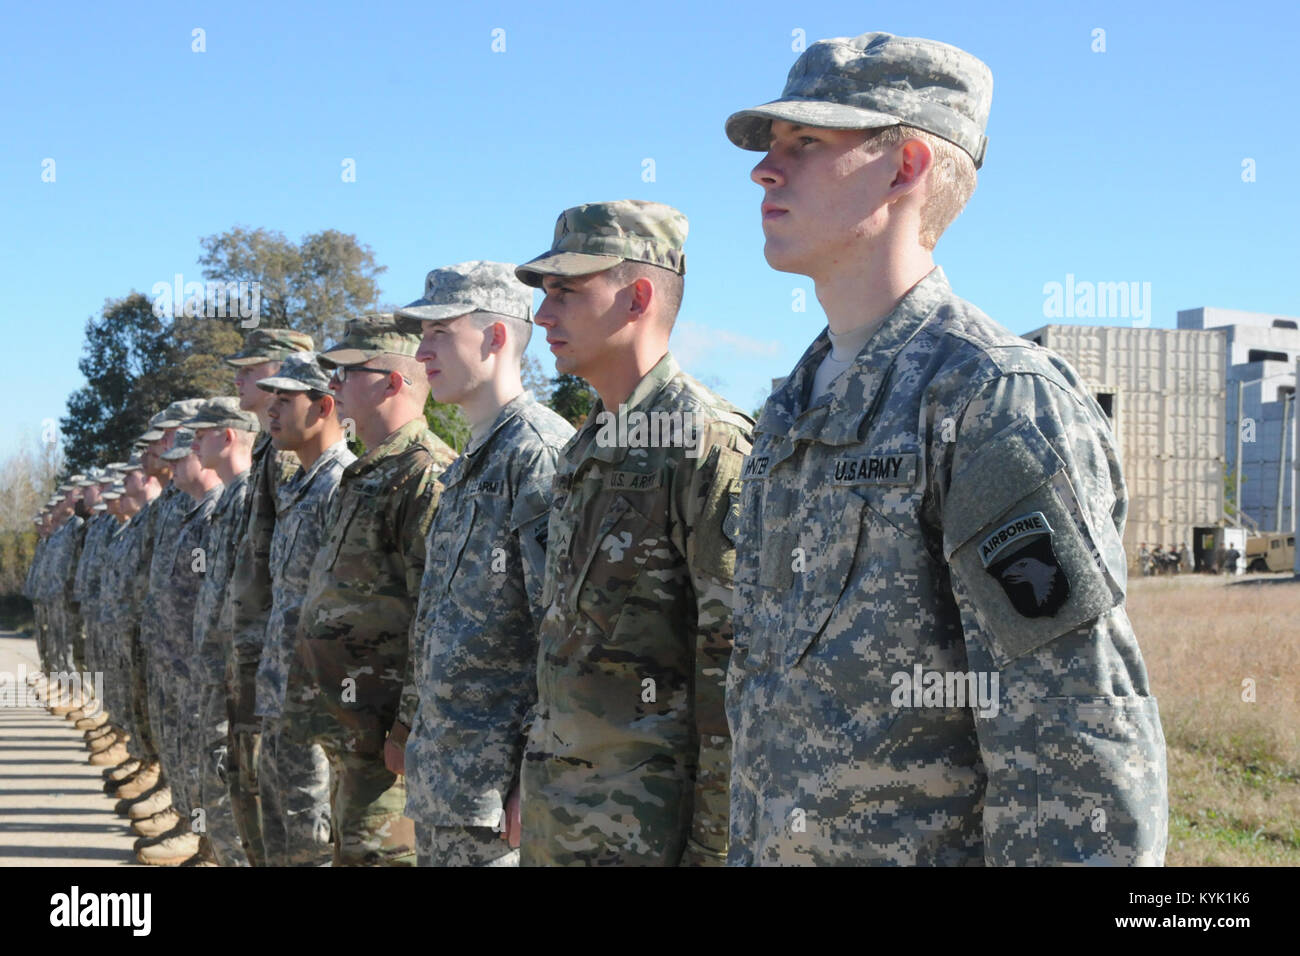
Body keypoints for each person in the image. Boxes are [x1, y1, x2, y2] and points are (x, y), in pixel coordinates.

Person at [722, 31, 1168, 865]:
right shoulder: (790, 409)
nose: (764, 170)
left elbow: (1072, 739)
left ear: (906, 166)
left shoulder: (990, 397)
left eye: (806, 143)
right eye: (770, 147)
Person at [515, 200, 754, 866]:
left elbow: (733, 676)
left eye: (565, 291)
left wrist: (713, 849)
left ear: (637, 297)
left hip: (650, 838)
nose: (541, 314)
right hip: (562, 824)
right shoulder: (588, 445)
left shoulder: (706, 444)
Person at [389, 261, 574, 867]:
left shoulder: (537, 453)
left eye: (440, 332)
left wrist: (537, 770)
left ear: (495, 337)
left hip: (498, 798)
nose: (422, 351)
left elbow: (561, 628)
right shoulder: (472, 459)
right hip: (449, 784)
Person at [283, 315, 456, 866]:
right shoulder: (365, 473)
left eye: (349, 370)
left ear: (392, 382)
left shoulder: (426, 475)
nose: (333, 384)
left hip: (387, 742)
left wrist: (407, 726)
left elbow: (437, 615)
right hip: (349, 731)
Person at [251, 352, 354, 866]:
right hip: (280, 699)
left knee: (311, 844)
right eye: (270, 399)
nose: (271, 411)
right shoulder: (296, 487)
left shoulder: (343, 486)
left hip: (318, 711)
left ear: (324, 407)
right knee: (281, 840)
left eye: (285, 400)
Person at [222, 328, 315, 866]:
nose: (240, 376)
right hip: (259, 654)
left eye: (250, 367)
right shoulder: (267, 450)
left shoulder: (288, 458)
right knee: (258, 790)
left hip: (283, 665)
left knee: (290, 806)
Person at [136, 427, 225, 865]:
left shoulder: (218, 510)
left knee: (207, 758)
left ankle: (206, 843)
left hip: (203, 664)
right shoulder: (190, 510)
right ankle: (194, 828)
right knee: (186, 749)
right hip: (179, 657)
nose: (168, 463)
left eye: (179, 453)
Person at [188, 396, 262, 865]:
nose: (194, 442)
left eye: (202, 433)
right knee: (220, 778)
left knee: (234, 785)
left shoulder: (251, 495)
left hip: (240, 678)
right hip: (222, 670)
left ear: (229, 434)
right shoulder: (235, 498)